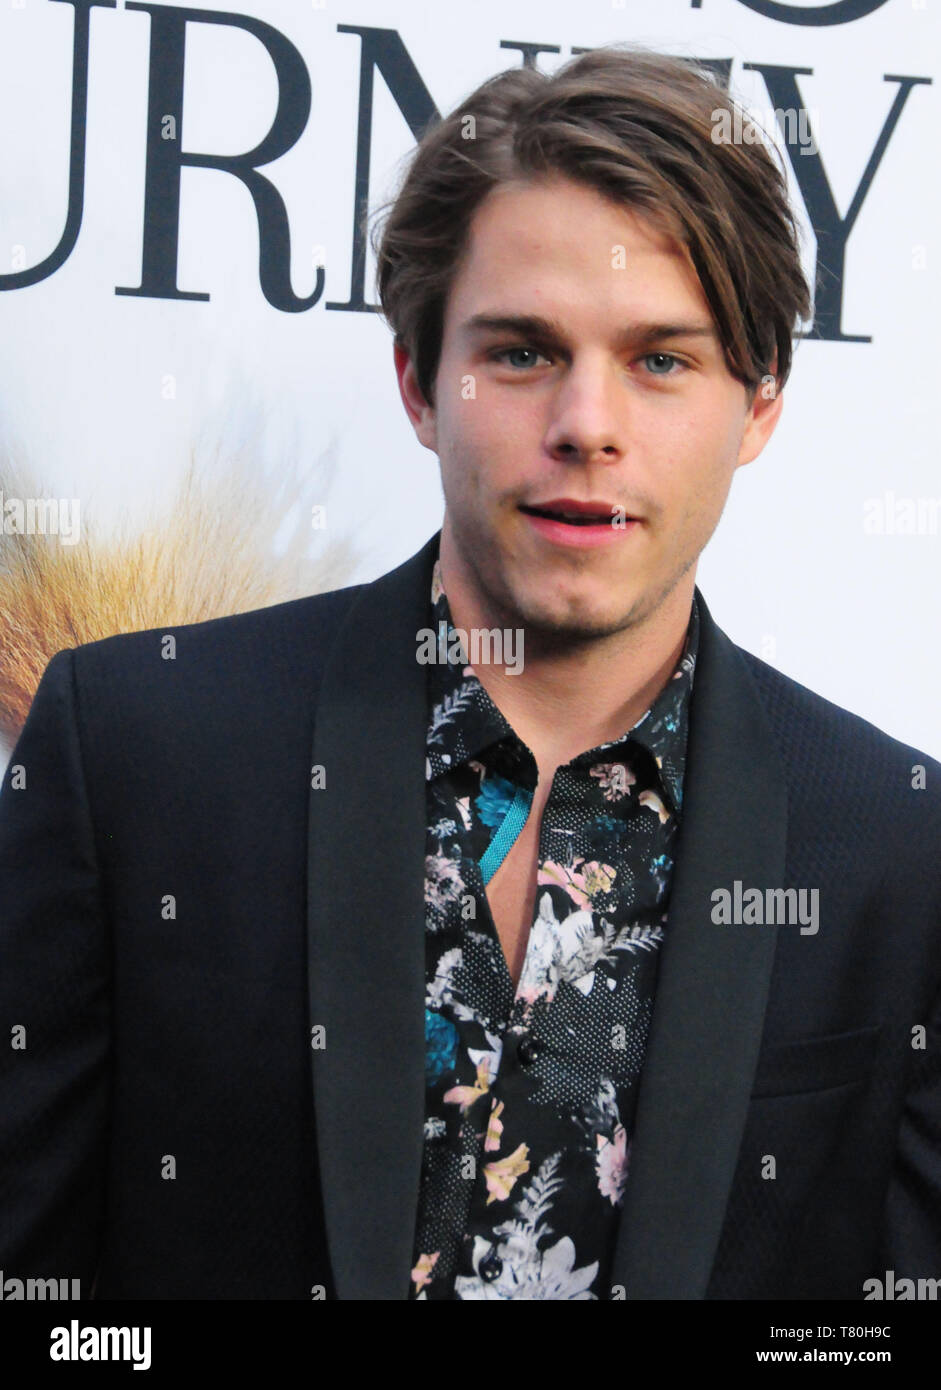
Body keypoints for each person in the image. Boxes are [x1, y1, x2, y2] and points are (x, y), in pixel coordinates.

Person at [1, 43, 938, 1302]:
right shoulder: (131, 749)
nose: (586, 425)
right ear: (418, 383)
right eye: (520, 352)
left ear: (757, 405)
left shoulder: (894, 845)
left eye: (661, 359)